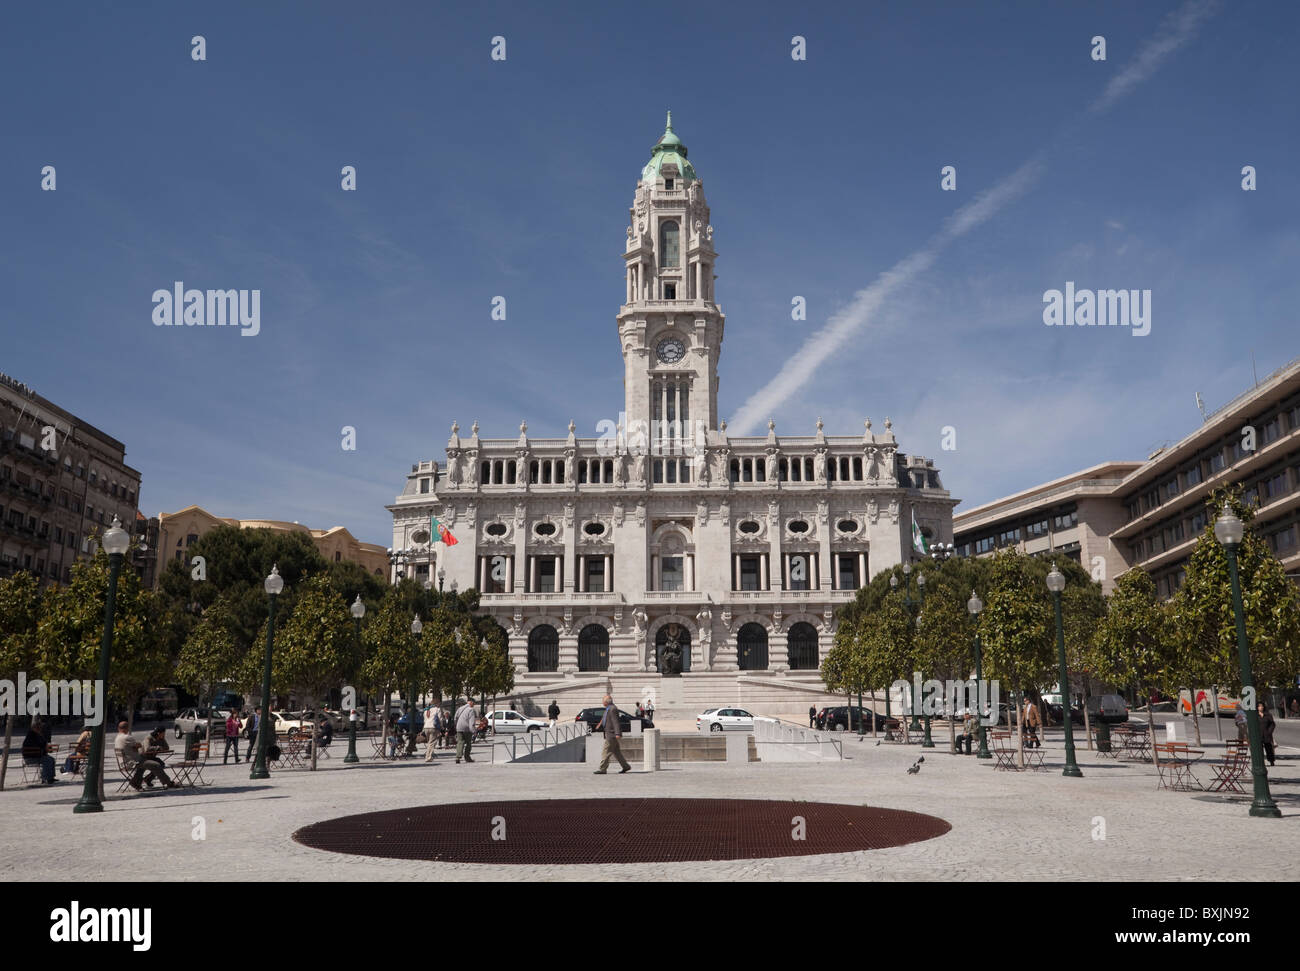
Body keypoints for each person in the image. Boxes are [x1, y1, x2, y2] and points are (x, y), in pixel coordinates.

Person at [114, 721, 176, 790]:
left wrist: (162, 738)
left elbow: (137, 746)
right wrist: (137, 747)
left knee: (150, 764)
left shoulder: (117, 738)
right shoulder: (127, 737)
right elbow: (139, 745)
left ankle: (135, 782)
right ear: (127, 728)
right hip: (133, 762)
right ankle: (168, 783)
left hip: (126, 762)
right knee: (156, 765)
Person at [593, 694, 631, 774]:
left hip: (612, 734)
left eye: (603, 701)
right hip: (610, 733)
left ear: (606, 702)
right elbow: (605, 718)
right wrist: (599, 724)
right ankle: (626, 766)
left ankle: (602, 769)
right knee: (617, 752)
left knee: (606, 751)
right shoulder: (608, 708)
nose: (602, 702)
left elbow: (615, 722)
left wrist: (617, 733)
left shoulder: (612, 709)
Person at [22, 719, 57, 784]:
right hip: (31, 758)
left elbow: (43, 745)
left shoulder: (37, 735)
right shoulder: (32, 735)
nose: (40, 729)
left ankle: (51, 777)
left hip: (36, 756)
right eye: (39, 727)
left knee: (51, 759)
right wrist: (45, 747)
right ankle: (45, 778)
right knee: (47, 760)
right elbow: (41, 745)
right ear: (35, 728)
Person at [455, 696, 477, 763]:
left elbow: (455, 717)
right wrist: (473, 731)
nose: (474, 705)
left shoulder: (460, 708)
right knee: (468, 744)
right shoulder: (471, 710)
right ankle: (467, 758)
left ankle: (458, 757)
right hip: (466, 729)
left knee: (460, 742)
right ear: (471, 702)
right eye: (474, 703)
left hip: (459, 728)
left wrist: (457, 725)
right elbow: (471, 722)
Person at [1258, 702, 1277, 767]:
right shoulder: (1255, 715)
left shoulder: (1268, 715)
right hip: (1259, 735)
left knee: (1269, 748)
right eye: (1259, 706)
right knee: (1259, 749)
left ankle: (1271, 761)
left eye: (1262, 706)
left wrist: (1269, 731)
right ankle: (1261, 762)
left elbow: (1272, 724)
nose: (1261, 707)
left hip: (1267, 734)